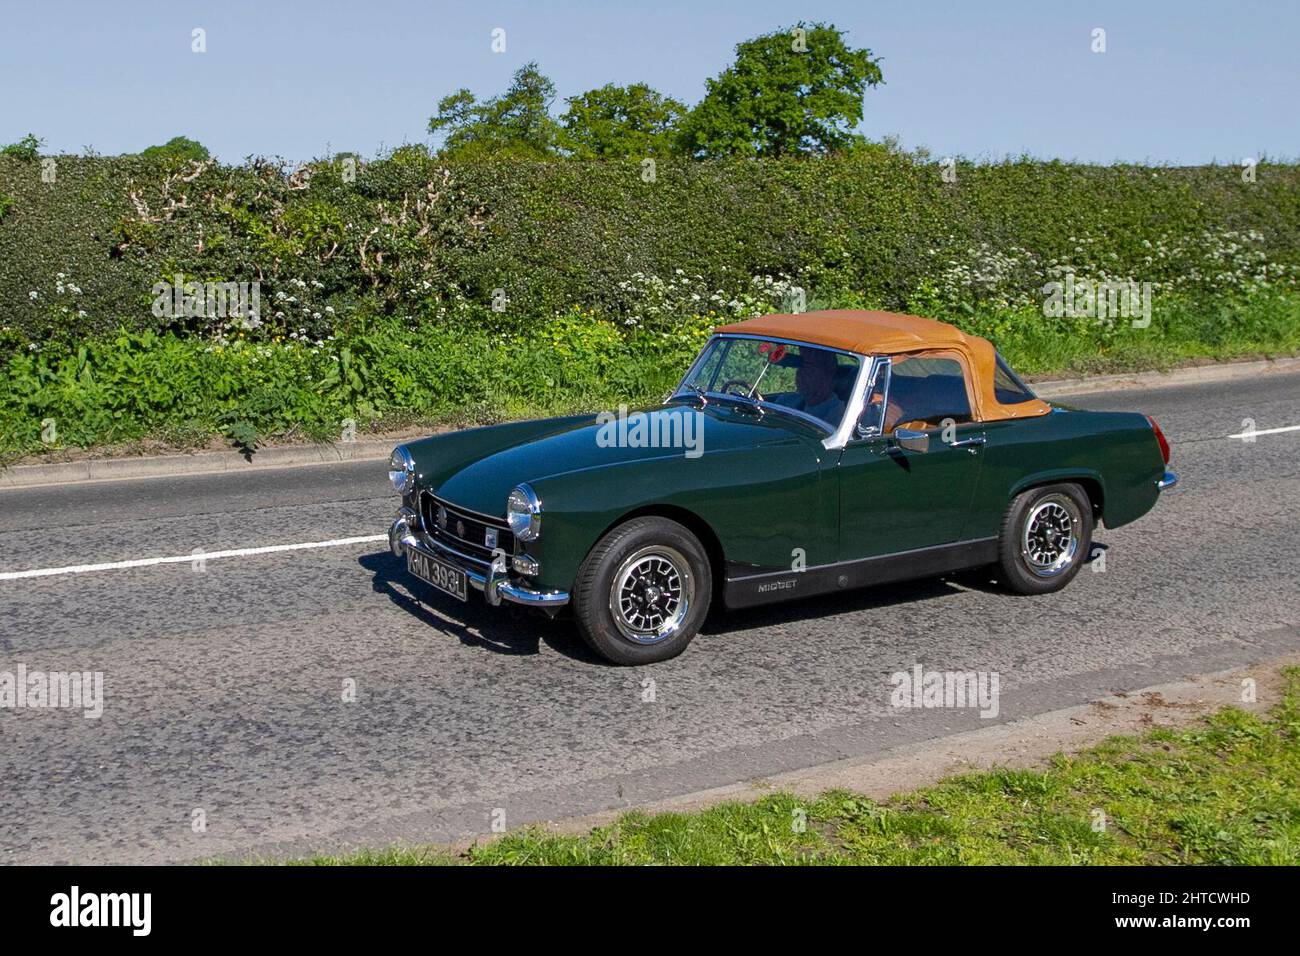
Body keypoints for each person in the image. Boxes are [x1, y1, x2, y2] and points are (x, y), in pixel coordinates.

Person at [772, 347, 846, 425]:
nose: (800, 375)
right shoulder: (785, 401)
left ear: (826, 375)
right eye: (800, 367)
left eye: (810, 369)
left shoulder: (838, 414)